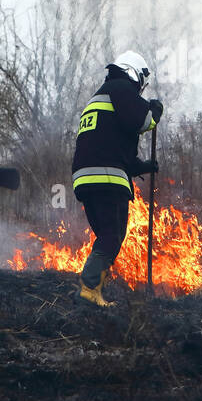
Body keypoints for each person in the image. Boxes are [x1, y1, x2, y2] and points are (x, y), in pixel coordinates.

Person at [70, 50, 163, 306]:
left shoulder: (98, 97)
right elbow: (142, 121)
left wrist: (141, 166)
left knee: (105, 236)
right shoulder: (122, 88)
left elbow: (109, 145)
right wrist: (154, 111)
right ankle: (89, 289)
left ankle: (95, 289)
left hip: (85, 179)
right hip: (107, 178)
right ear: (136, 75)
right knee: (112, 235)